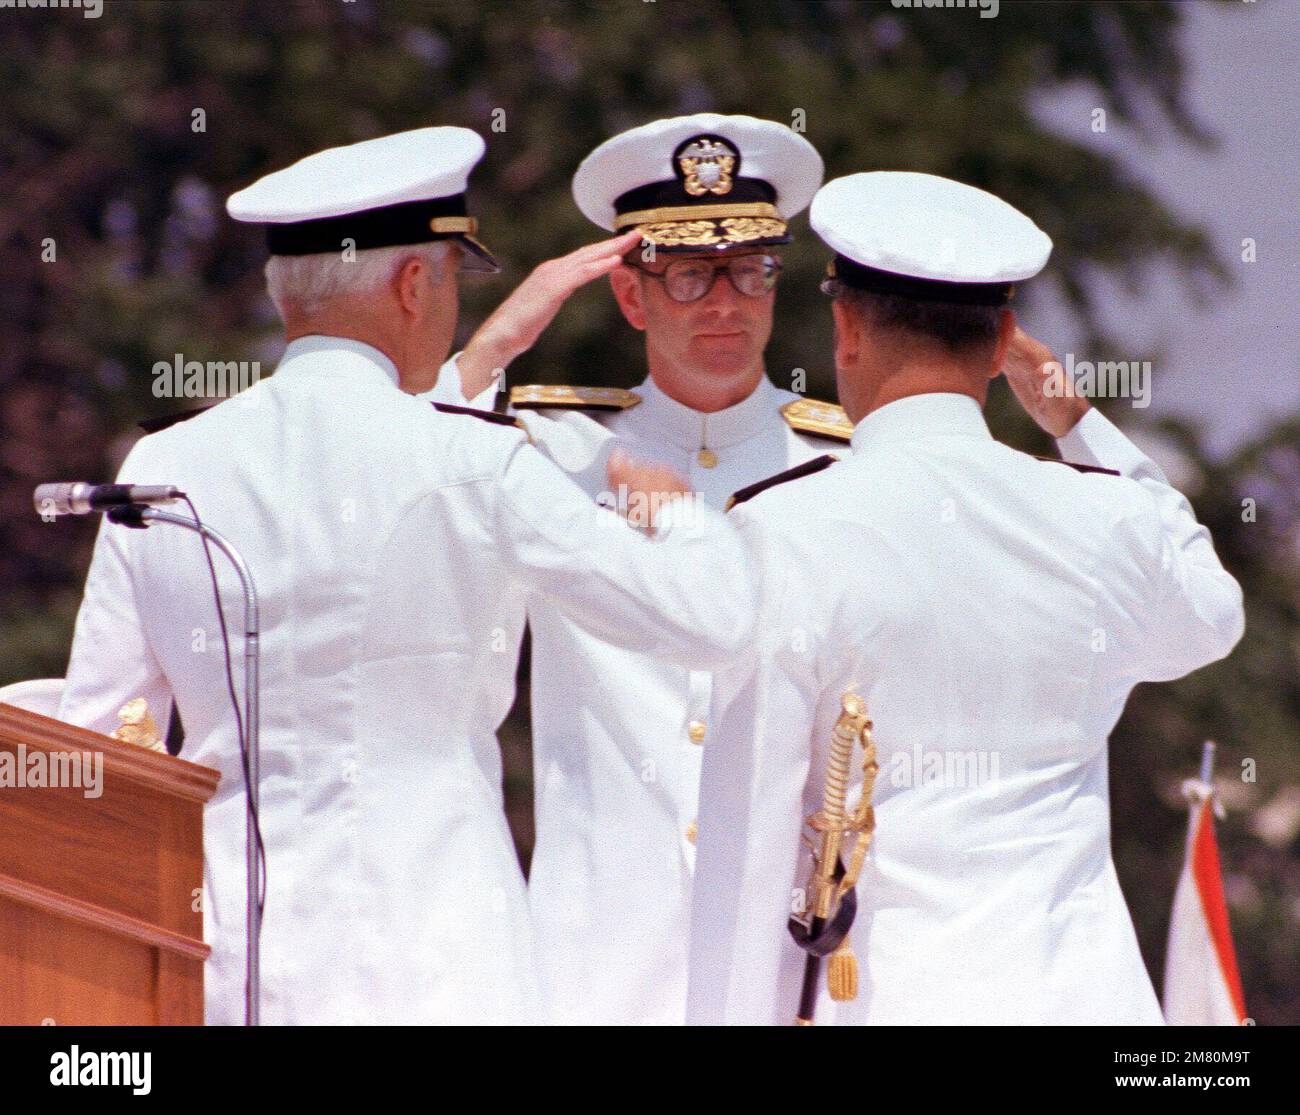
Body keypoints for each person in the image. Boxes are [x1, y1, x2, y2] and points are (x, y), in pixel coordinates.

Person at [56, 127, 757, 1025]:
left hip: (230, 961)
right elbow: (712, 620)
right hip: (443, 964)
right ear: (413, 283)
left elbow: (97, 752)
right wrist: (678, 513)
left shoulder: (165, 463)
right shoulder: (475, 462)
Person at [685, 171, 1246, 1025]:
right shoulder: (1101, 518)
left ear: (845, 328)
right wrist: (1077, 424)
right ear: (1004, 342)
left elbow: (749, 847)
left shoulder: (783, 531)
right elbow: (1212, 610)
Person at [431, 113, 846, 1024]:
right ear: (631, 296)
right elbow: (408, 469)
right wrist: (490, 349)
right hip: (597, 950)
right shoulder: (549, 447)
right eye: (691, 275)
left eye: (750, 271)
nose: (725, 305)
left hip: (786, 949)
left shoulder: (846, 465)